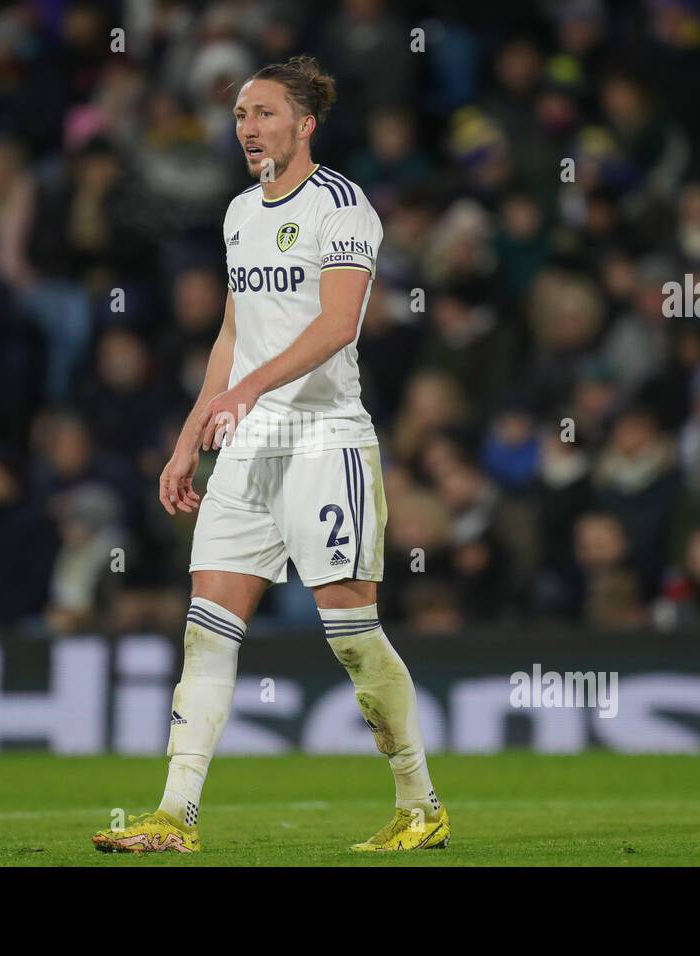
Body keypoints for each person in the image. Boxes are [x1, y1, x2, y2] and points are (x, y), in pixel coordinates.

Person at [91, 56, 446, 854]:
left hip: (325, 440)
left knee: (353, 635)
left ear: (305, 122)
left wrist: (250, 389)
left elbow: (338, 325)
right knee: (207, 630)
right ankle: (175, 815)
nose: (247, 127)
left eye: (263, 113)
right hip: (246, 449)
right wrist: (189, 440)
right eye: (241, 115)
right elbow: (231, 333)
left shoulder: (343, 207)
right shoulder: (239, 213)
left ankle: (420, 806)